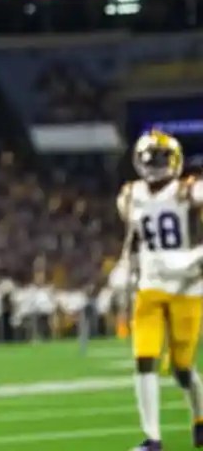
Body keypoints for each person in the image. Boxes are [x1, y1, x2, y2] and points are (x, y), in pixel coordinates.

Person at [111, 131, 203, 451]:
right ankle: (152, 438)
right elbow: (134, 239)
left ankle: (200, 416)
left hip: (187, 288)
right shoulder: (130, 195)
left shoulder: (189, 191)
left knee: (182, 368)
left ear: (175, 161)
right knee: (144, 358)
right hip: (149, 287)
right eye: (149, 158)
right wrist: (124, 269)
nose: (153, 165)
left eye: (160, 158)